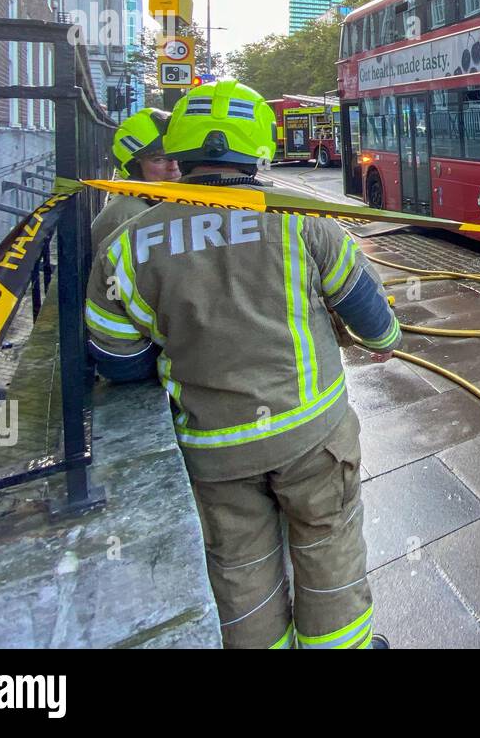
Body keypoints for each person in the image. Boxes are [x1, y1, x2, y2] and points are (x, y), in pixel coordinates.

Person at [84, 78, 401, 649]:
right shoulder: (301, 219)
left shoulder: (126, 246)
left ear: (178, 152)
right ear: (260, 151)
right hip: (312, 434)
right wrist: (386, 337)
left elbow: (116, 360)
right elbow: (376, 324)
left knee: (240, 571)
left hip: (213, 450)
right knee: (328, 546)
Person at [91, 108, 179, 250]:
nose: (174, 166)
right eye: (159, 159)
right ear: (133, 168)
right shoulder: (130, 216)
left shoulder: (152, 205)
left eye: (179, 156)